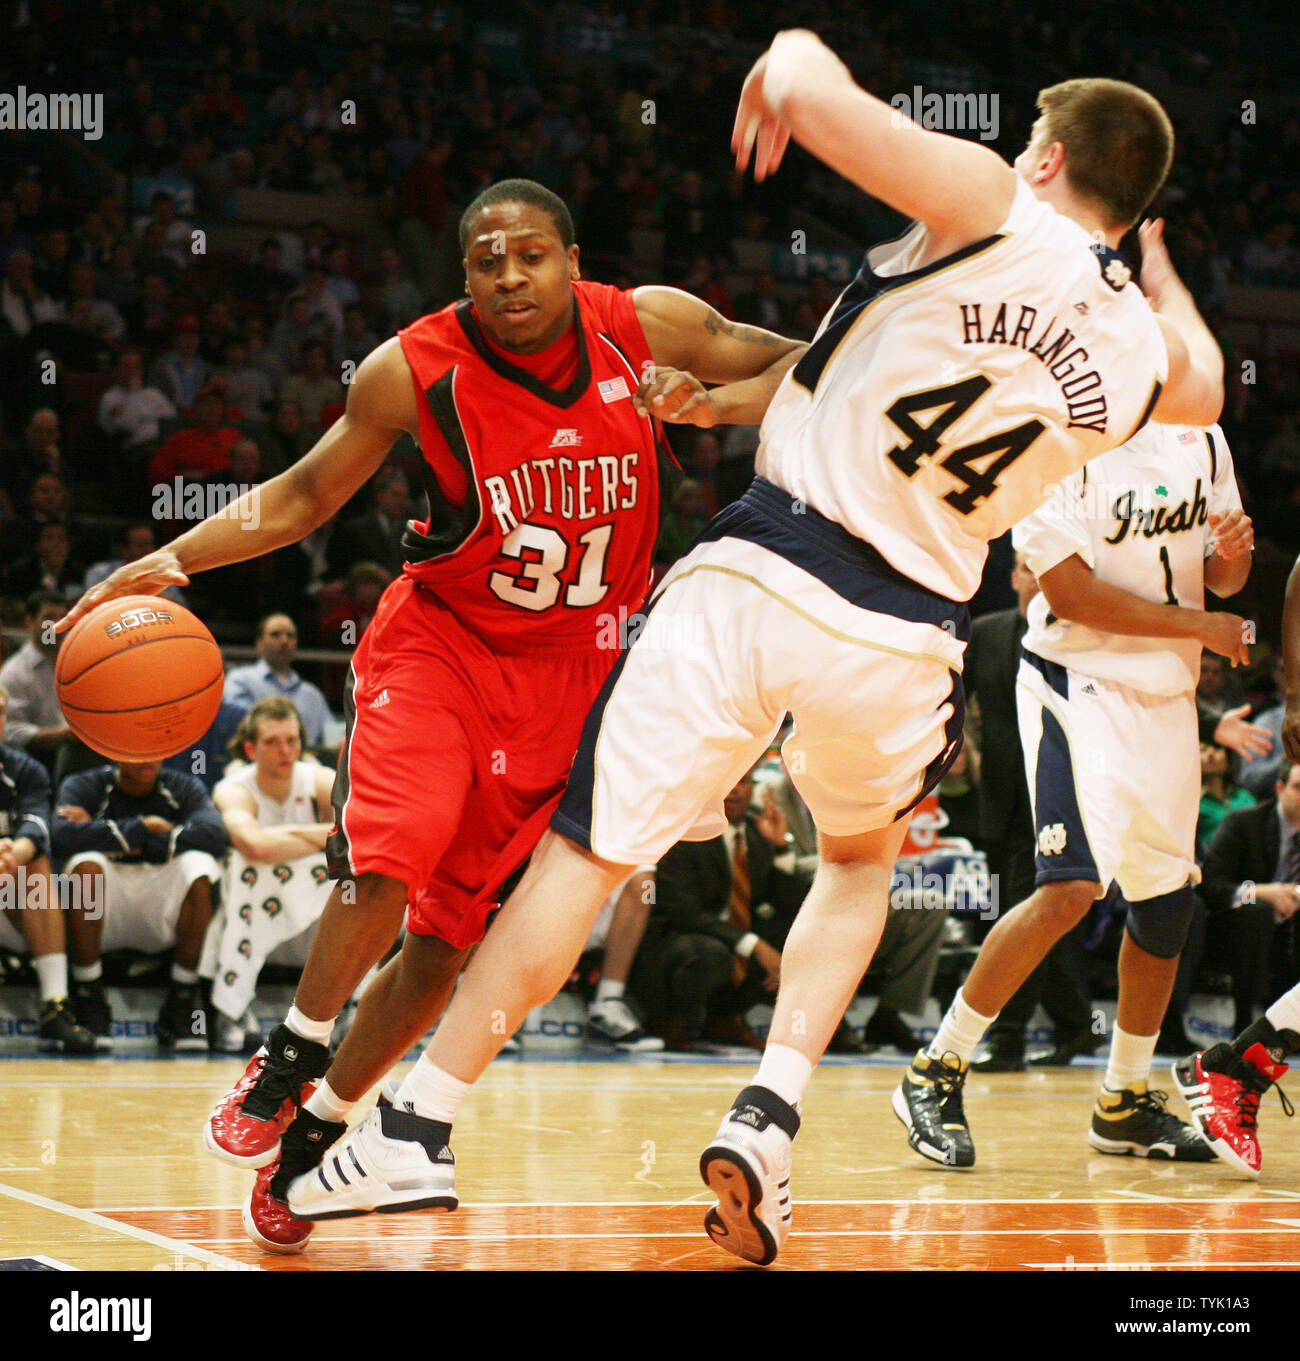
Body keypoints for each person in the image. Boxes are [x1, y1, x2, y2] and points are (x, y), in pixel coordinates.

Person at [264, 33, 1226, 1267]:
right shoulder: (1142, 354)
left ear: (1042, 154)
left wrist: (787, 65)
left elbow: (822, 101)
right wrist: (1154, 269)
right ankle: (770, 1109)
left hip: (765, 569)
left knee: (584, 854)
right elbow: (1200, 378)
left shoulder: (991, 201)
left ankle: (414, 1121)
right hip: (907, 633)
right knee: (859, 857)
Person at [57, 176, 803, 1253]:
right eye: (487, 258)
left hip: (575, 674)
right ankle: (294, 1047)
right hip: (441, 644)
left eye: (531, 254)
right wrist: (164, 555)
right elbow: (303, 496)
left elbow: (812, 369)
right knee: (390, 857)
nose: (510, 274)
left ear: (571, 257)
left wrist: (721, 400)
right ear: (463, 275)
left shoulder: (645, 324)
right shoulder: (410, 369)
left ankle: (321, 1132)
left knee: (447, 943)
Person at [901, 417, 1250, 1173]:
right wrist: (1204, 622)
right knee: (1070, 889)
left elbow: (1223, 576)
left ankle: (1123, 1099)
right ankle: (937, 1066)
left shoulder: (1203, 437)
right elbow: (1073, 594)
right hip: (1076, 681)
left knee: (1166, 904)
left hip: (1167, 692)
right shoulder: (1049, 441)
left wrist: (1235, 553)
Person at [53, 757, 228, 1049]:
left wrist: (123, 838)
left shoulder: (183, 785)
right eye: (136, 750)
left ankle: (181, 1004)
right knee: (85, 867)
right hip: (107, 897)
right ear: (116, 751)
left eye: (154, 750)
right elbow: (61, 837)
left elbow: (215, 835)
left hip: (161, 896)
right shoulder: (84, 784)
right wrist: (144, 826)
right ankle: (88, 997)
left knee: (201, 868)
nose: (147, 759)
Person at [202, 698, 336, 1054]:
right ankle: (233, 1009)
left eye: (292, 741)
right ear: (250, 748)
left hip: (313, 893)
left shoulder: (319, 779)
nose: (285, 750)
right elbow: (254, 846)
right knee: (247, 868)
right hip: (254, 894)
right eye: (273, 742)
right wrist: (321, 834)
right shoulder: (233, 787)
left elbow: (363, 833)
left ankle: (351, 1006)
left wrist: (288, 840)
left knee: (361, 877)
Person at [0, 682, 96, 1053]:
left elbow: (39, 825)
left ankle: (55, 1008)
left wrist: (14, 854)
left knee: (36, 864)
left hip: (9, 886)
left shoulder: (25, 769)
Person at [222, 614, 332, 747]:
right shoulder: (240, 680)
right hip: (253, 760)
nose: (284, 641)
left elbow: (333, 737)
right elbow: (235, 725)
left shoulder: (312, 694)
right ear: (260, 643)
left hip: (306, 763)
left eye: (290, 636)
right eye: (275, 634)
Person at [0, 592, 74, 774]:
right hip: (34, 757)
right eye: (49, 618)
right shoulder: (13, 672)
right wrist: (63, 733)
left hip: (76, 749)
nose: (56, 625)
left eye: (62, 617)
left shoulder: (79, 661)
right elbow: (10, 731)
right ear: (29, 621)